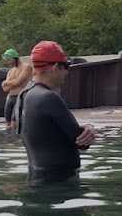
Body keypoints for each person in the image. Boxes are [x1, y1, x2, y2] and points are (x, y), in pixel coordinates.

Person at [14, 41, 96, 183]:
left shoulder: (24, 95)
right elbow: (81, 142)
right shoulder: (49, 98)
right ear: (55, 67)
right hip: (61, 181)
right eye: (65, 67)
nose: (66, 72)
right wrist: (90, 129)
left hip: (38, 176)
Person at [0, 48, 33, 129]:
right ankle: (9, 141)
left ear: (15, 57)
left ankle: (16, 140)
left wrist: (5, 82)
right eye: (7, 61)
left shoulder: (26, 67)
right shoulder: (10, 71)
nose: (8, 62)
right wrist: (11, 83)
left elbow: (18, 81)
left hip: (20, 97)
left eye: (9, 60)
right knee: (8, 125)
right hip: (10, 98)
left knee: (14, 124)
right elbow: (5, 89)